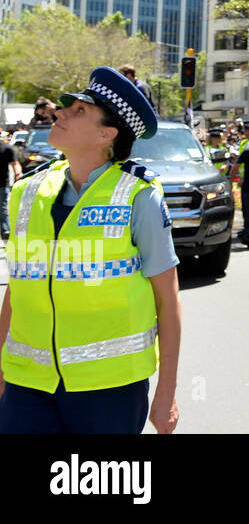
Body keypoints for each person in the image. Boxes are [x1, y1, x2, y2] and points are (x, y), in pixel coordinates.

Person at [0, 67, 181, 434]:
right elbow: (17, 289)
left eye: (79, 110)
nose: (60, 112)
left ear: (106, 134)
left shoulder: (138, 197)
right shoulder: (26, 191)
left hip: (110, 388)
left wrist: (166, 393)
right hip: (26, 384)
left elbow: (168, 298)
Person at [0, 132, 17, 239]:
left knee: (3, 208)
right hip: (3, 183)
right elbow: (15, 165)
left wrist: (19, 174)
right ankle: (5, 230)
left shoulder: (7, 148)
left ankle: (6, 230)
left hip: (3, 183)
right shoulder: (8, 148)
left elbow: (15, 164)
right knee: (3, 208)